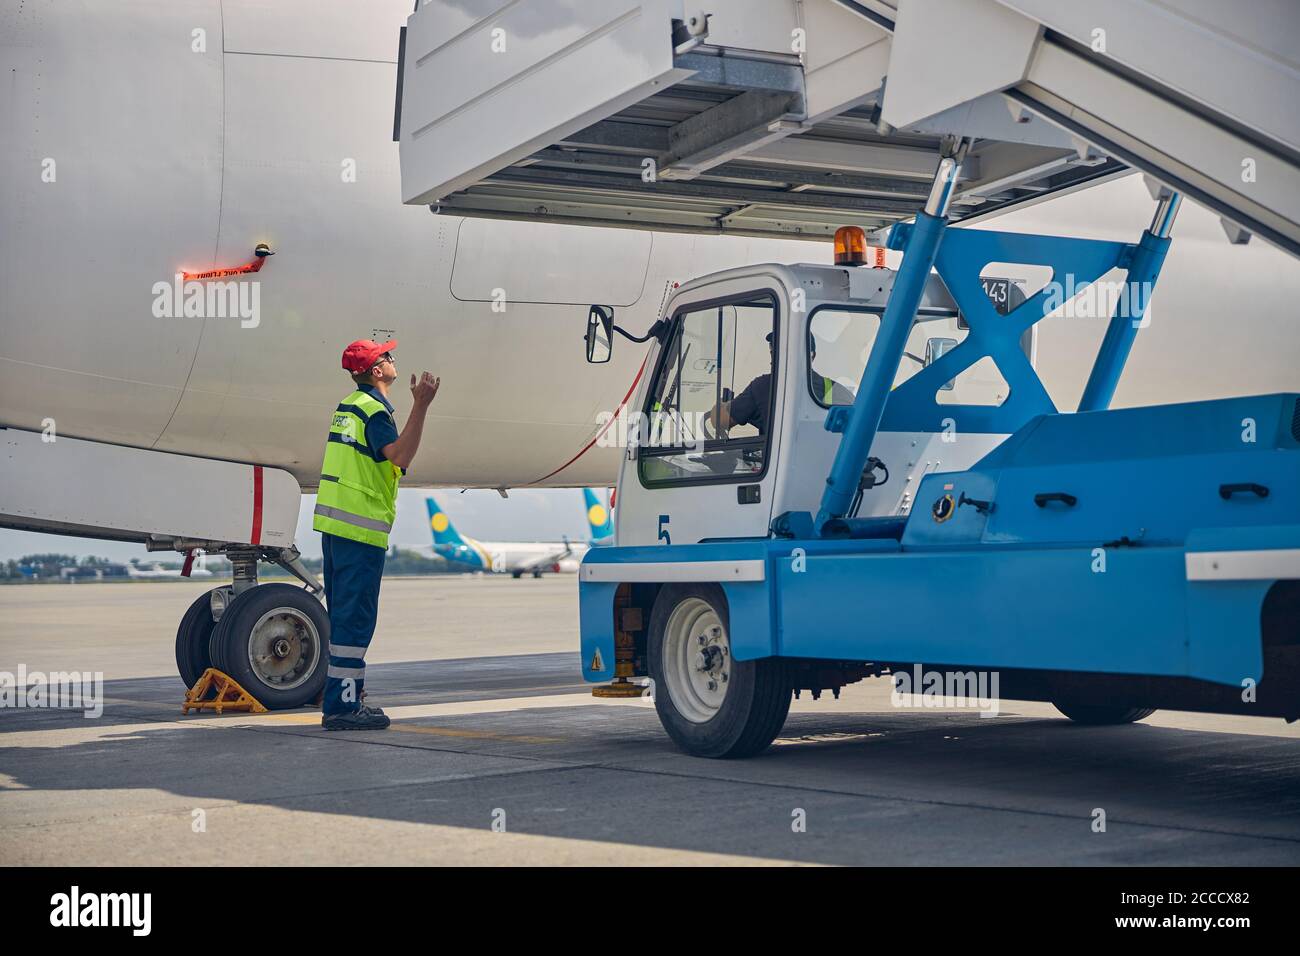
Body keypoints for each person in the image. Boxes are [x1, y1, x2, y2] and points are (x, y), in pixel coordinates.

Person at [313, 339, 439, 730]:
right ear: (375, 370)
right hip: (360, 531)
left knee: (343, 618)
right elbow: (399, 456)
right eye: (386, 356)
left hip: (336, 529)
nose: (393, 359)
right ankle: (343, 707)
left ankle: (341, 695)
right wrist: (421, 406)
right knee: (356, 620)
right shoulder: (375, 412)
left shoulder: (349, 408)